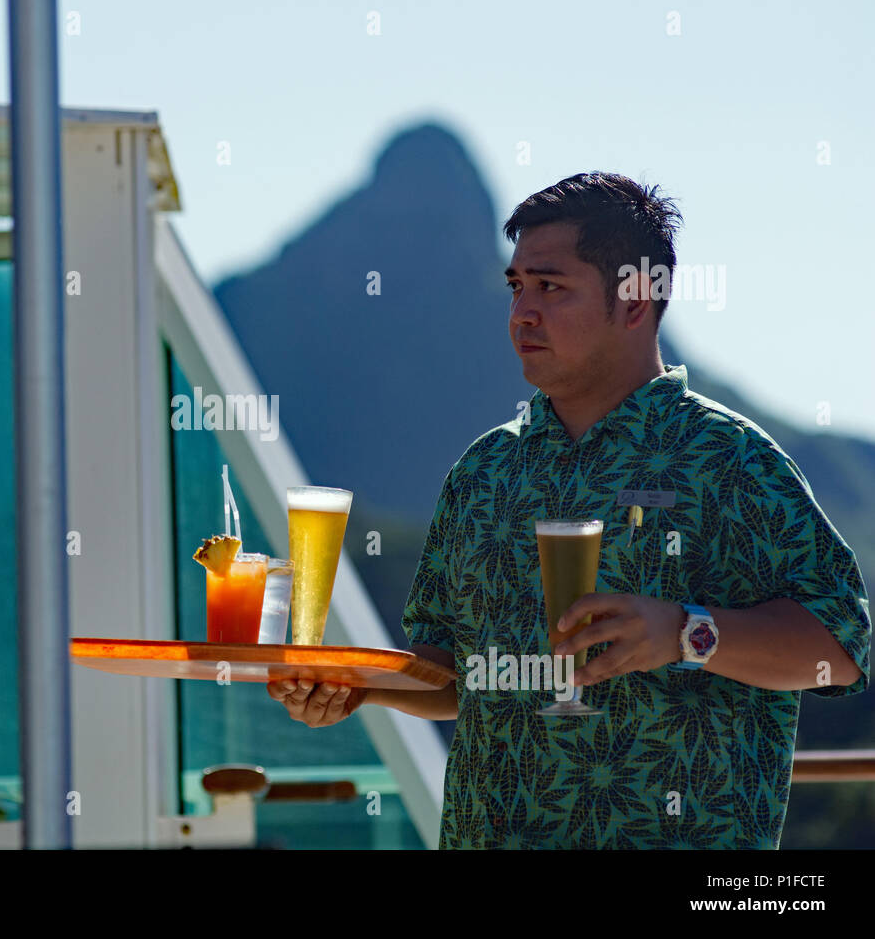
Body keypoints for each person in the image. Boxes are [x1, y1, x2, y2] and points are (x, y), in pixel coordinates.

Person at [267, 172, 870, 848]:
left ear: (636, 300)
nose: (522, 311)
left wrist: (686, 633)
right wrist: (363, 684)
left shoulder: (729, 459)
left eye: (550, 286)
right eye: (516, 286)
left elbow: (841, 647)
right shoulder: (484, 471)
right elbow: (453, 675)